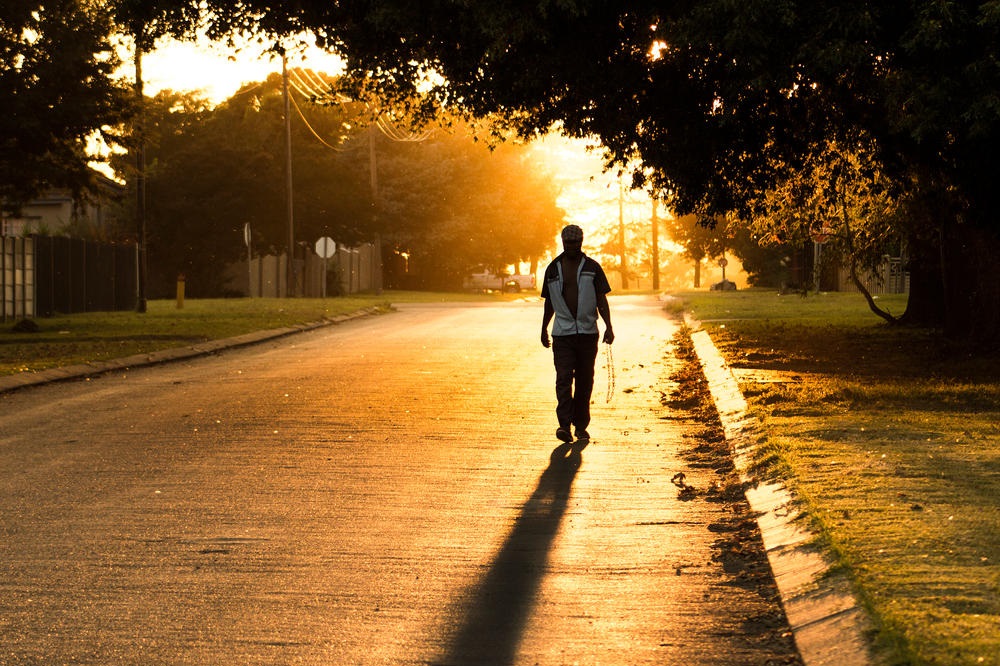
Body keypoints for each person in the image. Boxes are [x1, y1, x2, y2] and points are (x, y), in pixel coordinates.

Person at [540, 224, 614, 443]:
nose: (571, 246)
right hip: (562, 334)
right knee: (563, 378)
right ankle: (564, 425)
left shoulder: (592, 268)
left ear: (581, 242)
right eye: (568, 243)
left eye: (575, 242)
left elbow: (602, 299)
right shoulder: (553, 269)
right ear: (562, 243)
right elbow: (549, 303)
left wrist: (609, 326)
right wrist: (543, 328)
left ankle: (580, 425)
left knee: (584, 381)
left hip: (587, 333)